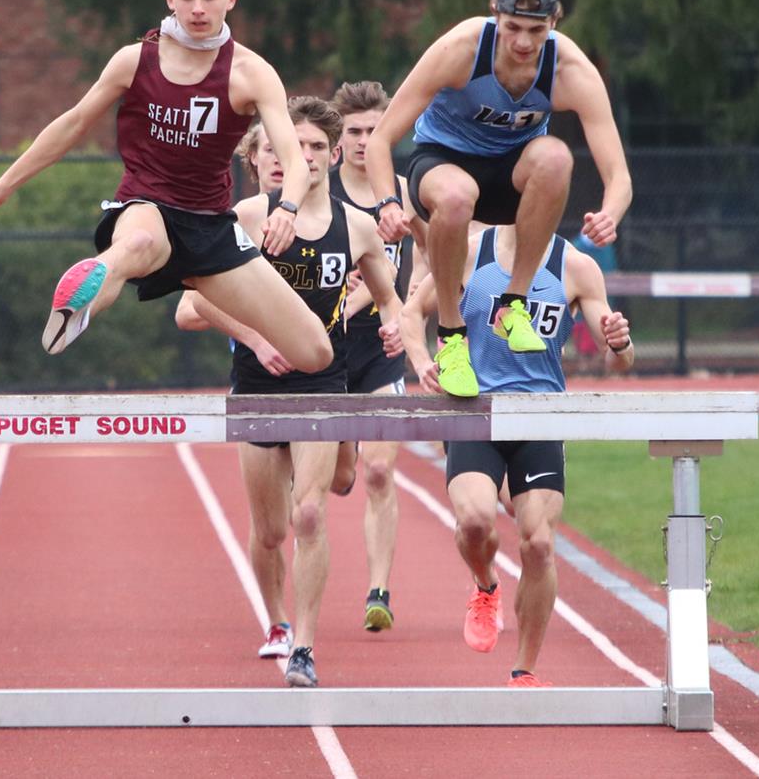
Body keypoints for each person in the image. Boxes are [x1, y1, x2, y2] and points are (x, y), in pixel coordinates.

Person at [0, 0, 332, 374]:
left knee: (315, 354)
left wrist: (287, 208)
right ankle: (82, 299)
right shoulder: (134, 60)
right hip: (147, 203)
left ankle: (120, 279)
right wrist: (2, 186)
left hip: (210, 227)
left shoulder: (252, 73)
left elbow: (292, 156)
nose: (198, 8)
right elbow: (73, 123)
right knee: (137, 243)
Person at [175, 96, 402, 688]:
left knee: (309, 513)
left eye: (316, 148)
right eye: (294, 148)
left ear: (329, 155)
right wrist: (255, 337)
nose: (305, 158)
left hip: (323, 383)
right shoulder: (249, 218)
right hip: (256, 383)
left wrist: (401, 327)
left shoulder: (355, 225)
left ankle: (304, 646)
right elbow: (194, 300)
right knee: (271, 529)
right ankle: (275, 620)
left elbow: (389, 293)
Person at [386, 223, 634, 687]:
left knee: (538, 544)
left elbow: (615, 357)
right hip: (473, 410)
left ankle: (525, 669)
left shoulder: (575, 267)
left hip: (540, 415)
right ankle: (486, 585)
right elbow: (411, 312)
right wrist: (422, 363)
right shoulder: (466, 253)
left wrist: (620, 341)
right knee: (476, 521)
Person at [368, 0, 634, 398]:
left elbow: (618, 174)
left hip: (511, 175)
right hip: (443, 161)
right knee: (457, 197)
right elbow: (381, 139)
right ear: (495, 14)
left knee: (556, 157)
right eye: (512, 28)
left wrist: (610, 213)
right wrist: (387, 204)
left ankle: (515, 304)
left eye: (537, 30)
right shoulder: (462, 48)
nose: (524, 43)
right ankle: (453, 337)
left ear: (555, 22)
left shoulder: (570, 70)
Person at [327, 80, 411, 633]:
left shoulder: (404, 190)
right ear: (338, 139)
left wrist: (407, 314)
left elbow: (428, 260)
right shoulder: (319, 193)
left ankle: (378, 590)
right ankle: (342, 458)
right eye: (354, 132)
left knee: (381, 473)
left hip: (383, 352)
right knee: (339, 480)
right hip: (328, 352)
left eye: (374, 131)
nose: (363, 142)